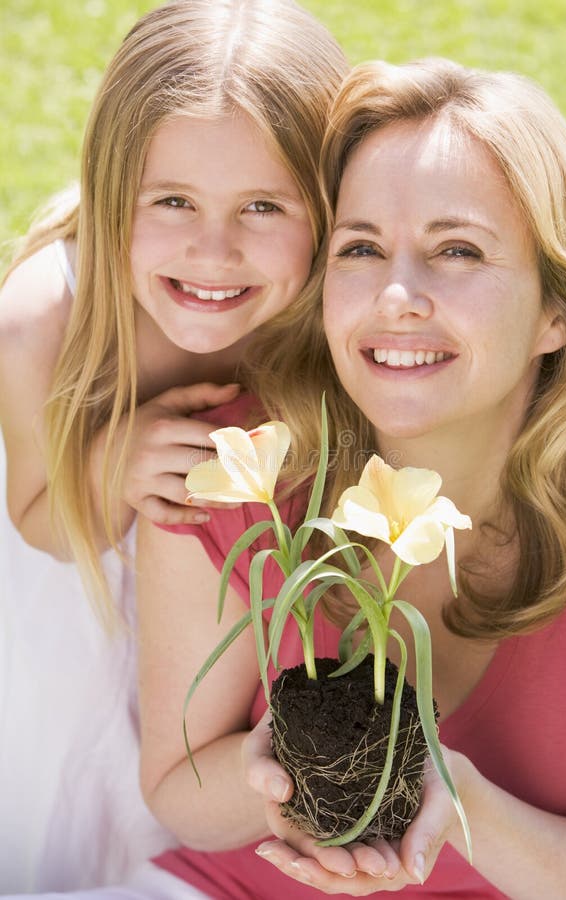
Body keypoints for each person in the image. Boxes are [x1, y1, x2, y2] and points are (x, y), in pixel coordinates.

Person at [8, 54, 566, 899]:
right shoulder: (239, 469)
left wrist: (450, 794)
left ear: (557, 313)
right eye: (362, 247)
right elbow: (177, 785)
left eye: (458, 250)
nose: (397, 294)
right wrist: (285, 789)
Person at [0, 0, 346, 889]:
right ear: (117, 192)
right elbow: (36, 523)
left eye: (263, 205)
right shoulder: (43, 322)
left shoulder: (329, 309)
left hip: (227, 610)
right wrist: (112, 463)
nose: (214, 252)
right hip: (80, 598)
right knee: (83, 814)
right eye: (174, 201)